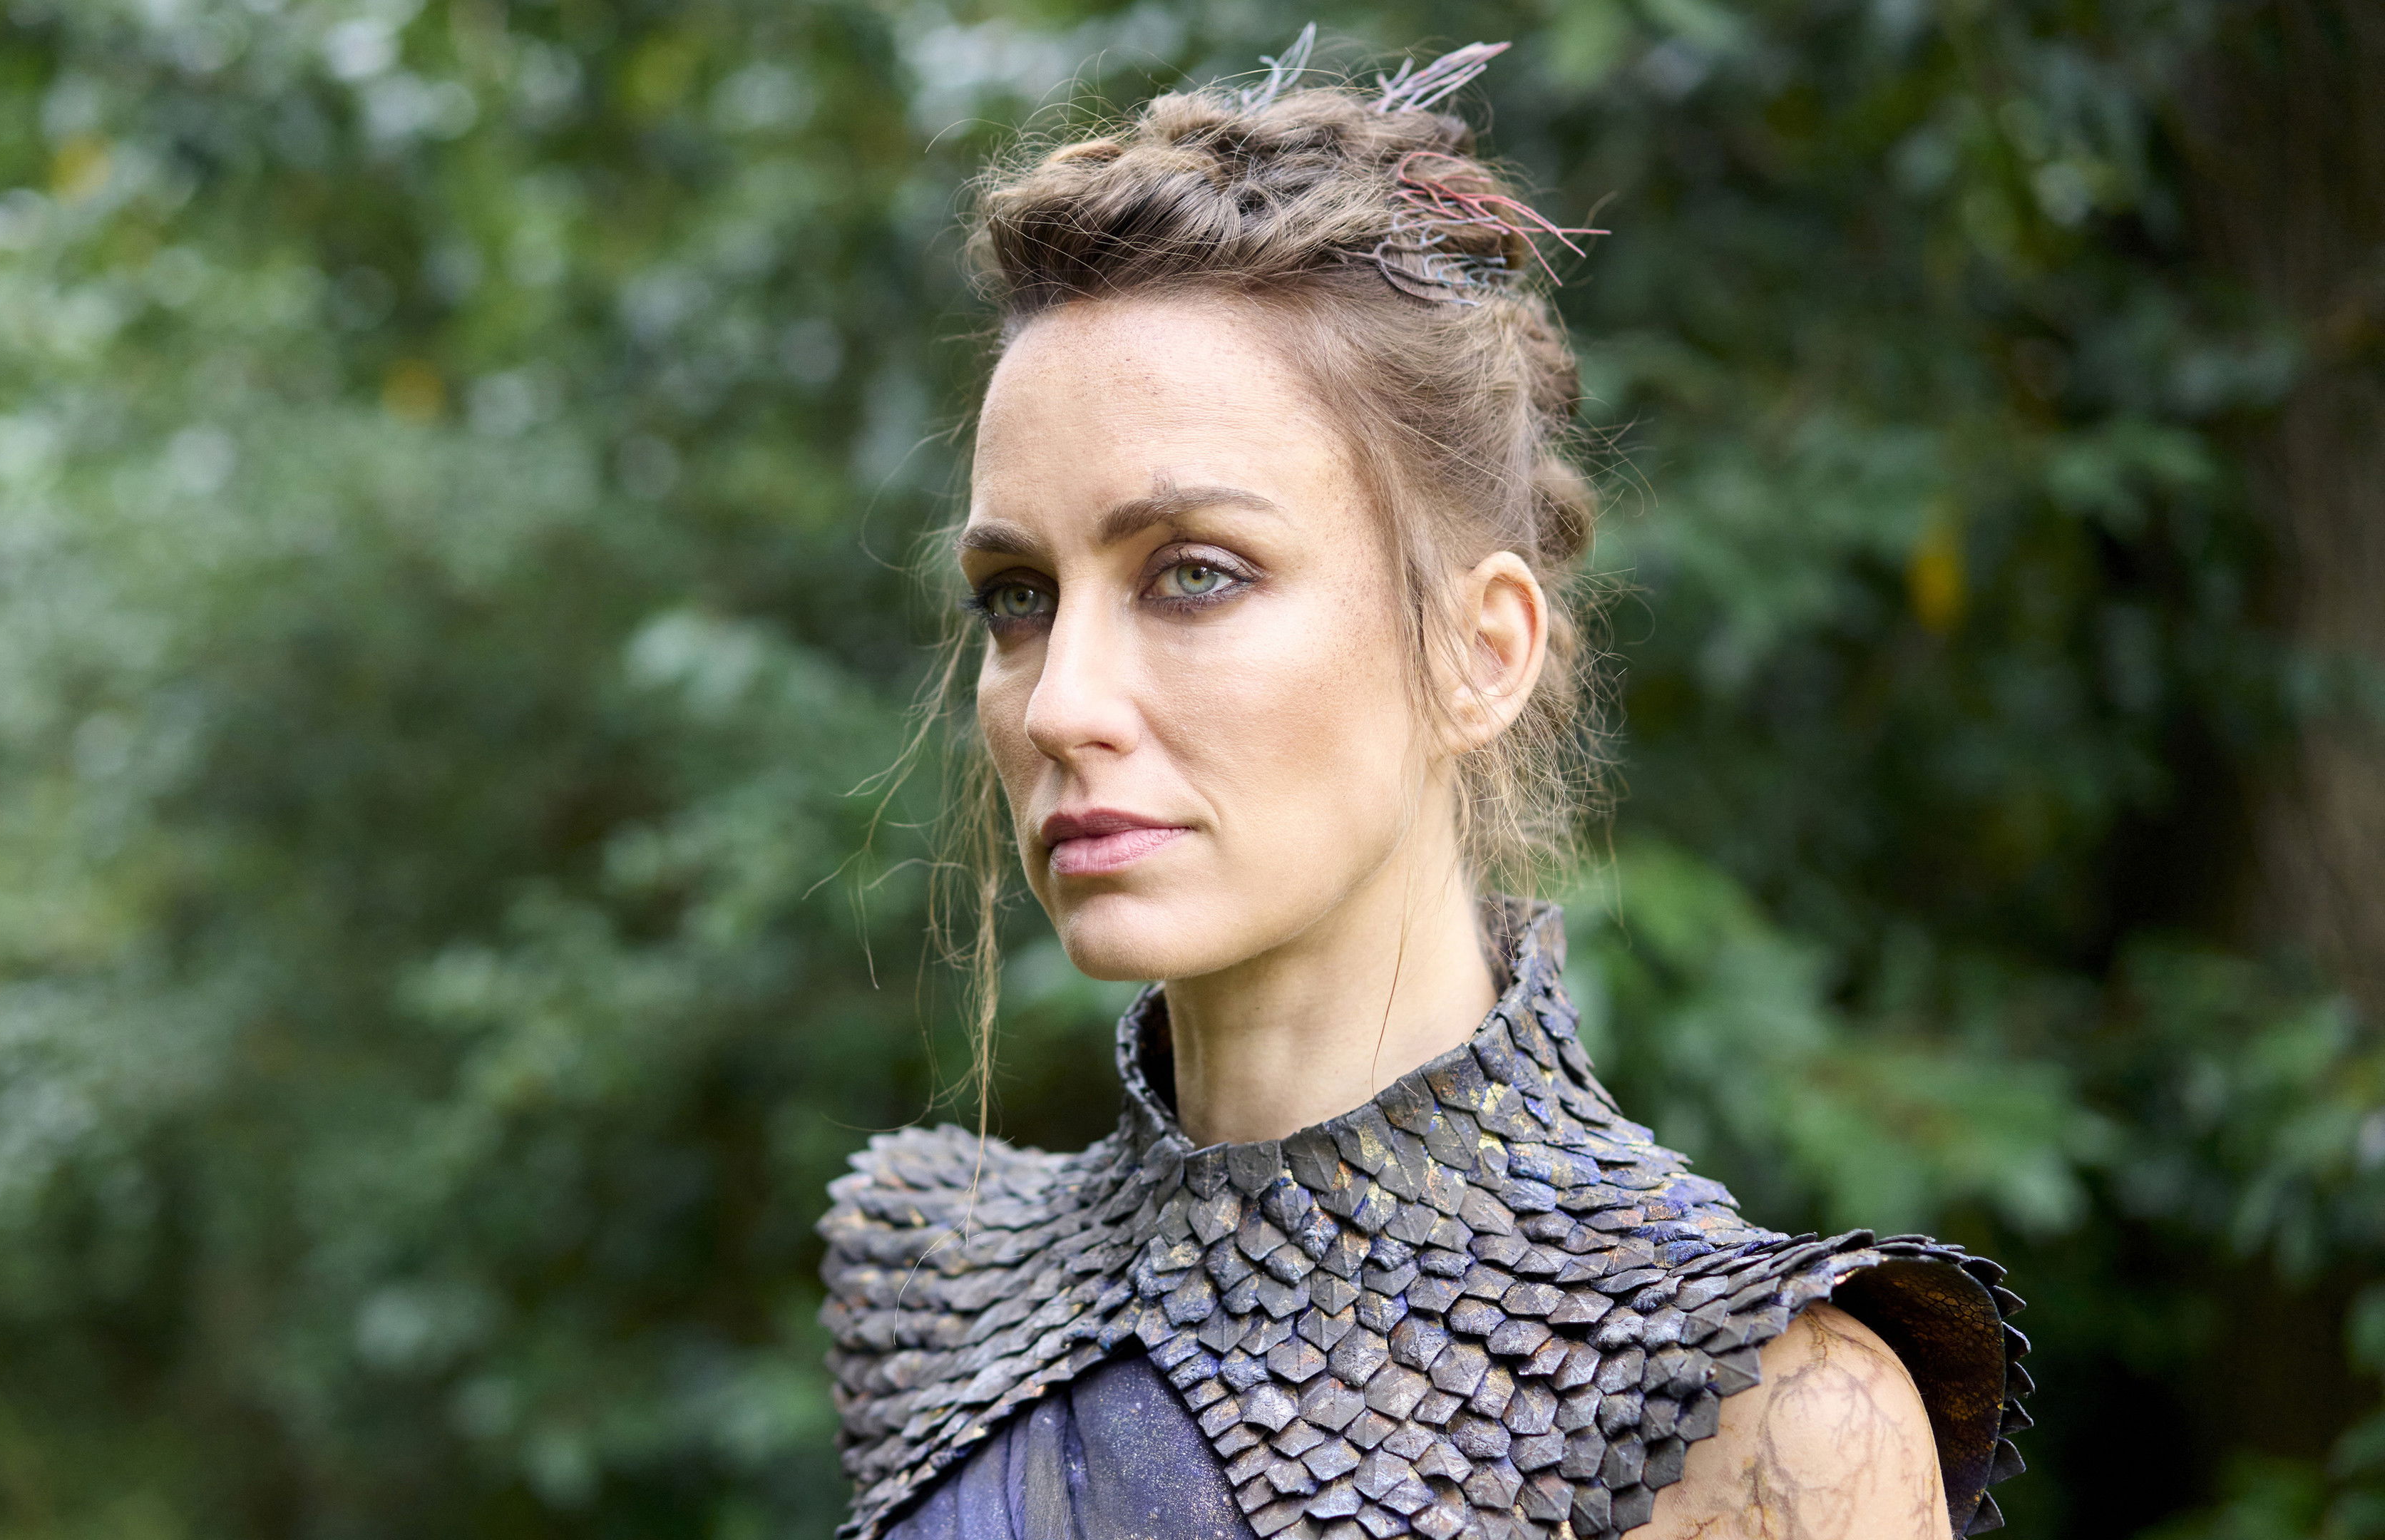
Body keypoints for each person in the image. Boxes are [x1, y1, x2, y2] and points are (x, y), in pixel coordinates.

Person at [819, 36, 2028, 1540]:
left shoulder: (1749, 1409)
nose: (1061, 702)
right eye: (1018, 596)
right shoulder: (934, 1282)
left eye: (1194, 574)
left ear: (1477, 650)